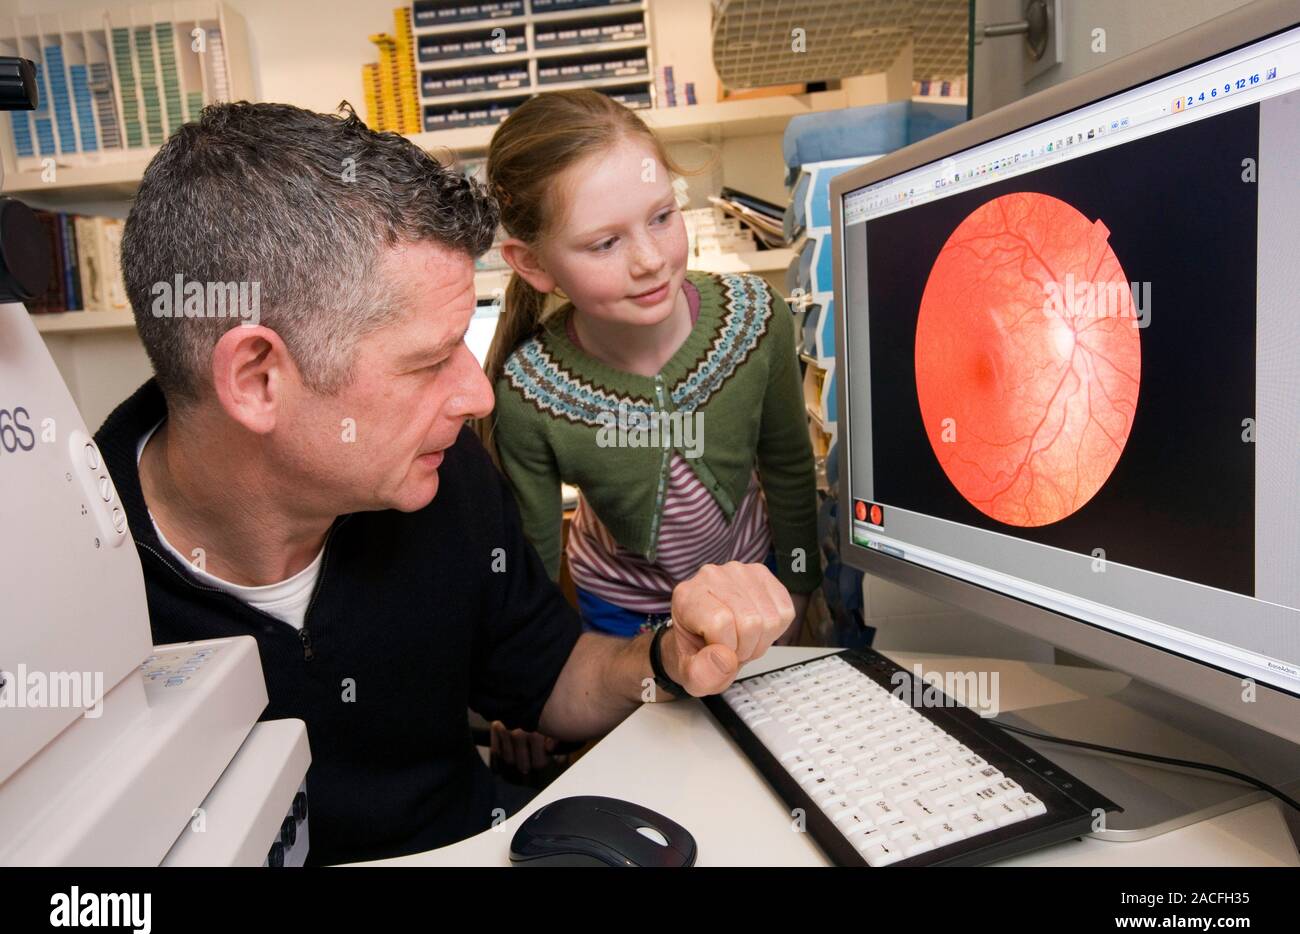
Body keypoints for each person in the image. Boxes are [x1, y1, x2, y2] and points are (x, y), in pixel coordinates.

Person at [94, 100, 793, 866]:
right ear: (259, 379)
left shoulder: (442, 472)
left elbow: (552, 678)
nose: (477, 397)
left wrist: (665, 655)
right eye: (429, 363)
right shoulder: (68, 590)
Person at [477, 91, 821, 762]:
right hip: (620, 621)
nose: (650, 260)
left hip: (755, 589)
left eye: (662, 216)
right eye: (604, 243)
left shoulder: (756, 321)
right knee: (661, 768)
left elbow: (787, 464)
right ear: (533, 263)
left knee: (764, 761)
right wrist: (526, 687)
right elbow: (537, 562)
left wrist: (804, 590)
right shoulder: (528, 393)